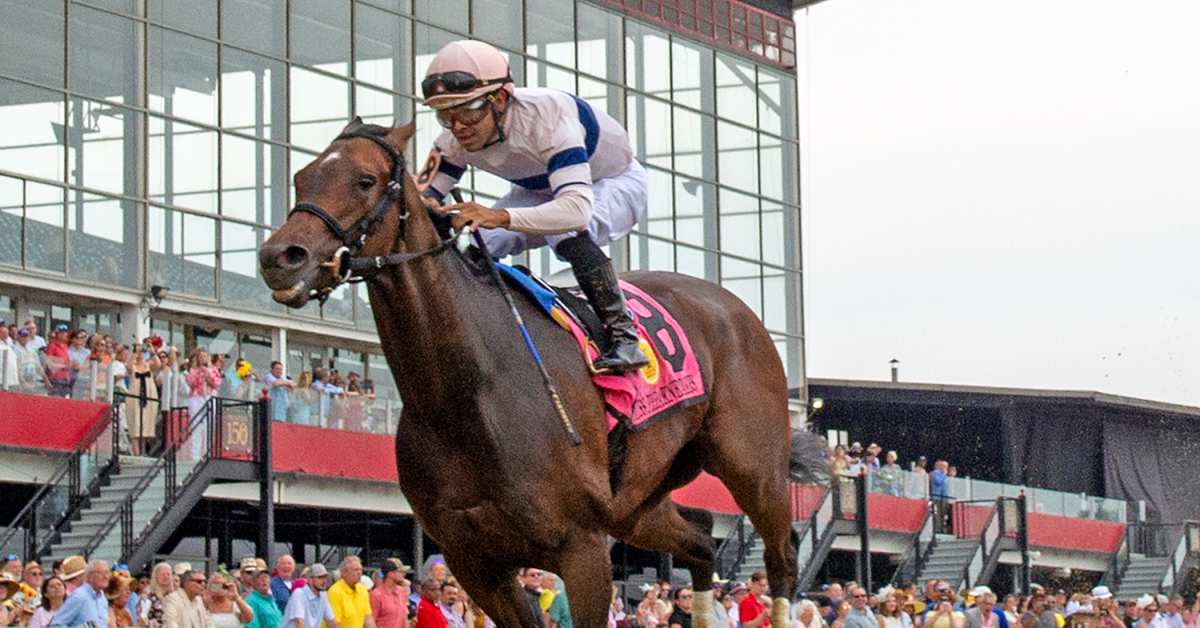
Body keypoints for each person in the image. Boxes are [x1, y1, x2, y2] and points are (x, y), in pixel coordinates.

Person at [418, 39, 650, 373]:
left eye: (467, 112)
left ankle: (625, 338)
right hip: (543, 188)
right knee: (479, 242)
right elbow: (422, 199)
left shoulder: (548, 118)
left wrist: (498, 215)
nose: (458, 128)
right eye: (445, 115)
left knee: (567, 231)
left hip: (609, 183)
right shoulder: (451, 141)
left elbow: (575, 209)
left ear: (499, 99)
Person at [52, 559, 110, 626]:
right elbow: (56, 625)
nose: (106, 576)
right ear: (89, 576)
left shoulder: (102, 597)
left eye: (107, 572)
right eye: (101, 573)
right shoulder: (79, 597)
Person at [283, 563, 337, 628]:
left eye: (325, 577)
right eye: (320, 577)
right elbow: (299, 622)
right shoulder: (299, 594)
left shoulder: (323, 595)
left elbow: (331, 621)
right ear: (310, 580)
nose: (324, 581)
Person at [327, 556, 374, 628]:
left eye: (360, 569)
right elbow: (335, 625)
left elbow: (368, 619)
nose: (359, 573)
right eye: (355, 570)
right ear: (344, 573)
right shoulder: (334, 592)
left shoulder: (363, 589)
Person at [369, 560, 408, 628]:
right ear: (390, 574)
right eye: (399, 571)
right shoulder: (376, 595)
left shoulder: (402, 592)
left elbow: (404, 617)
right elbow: (371, 621)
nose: (403, 574)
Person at [140, 562, 174, 626]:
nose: (166, 576)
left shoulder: (174, 595)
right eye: (163, 574)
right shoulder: (148, 594)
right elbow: (142, 619)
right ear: (155, 576)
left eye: (168, 574)